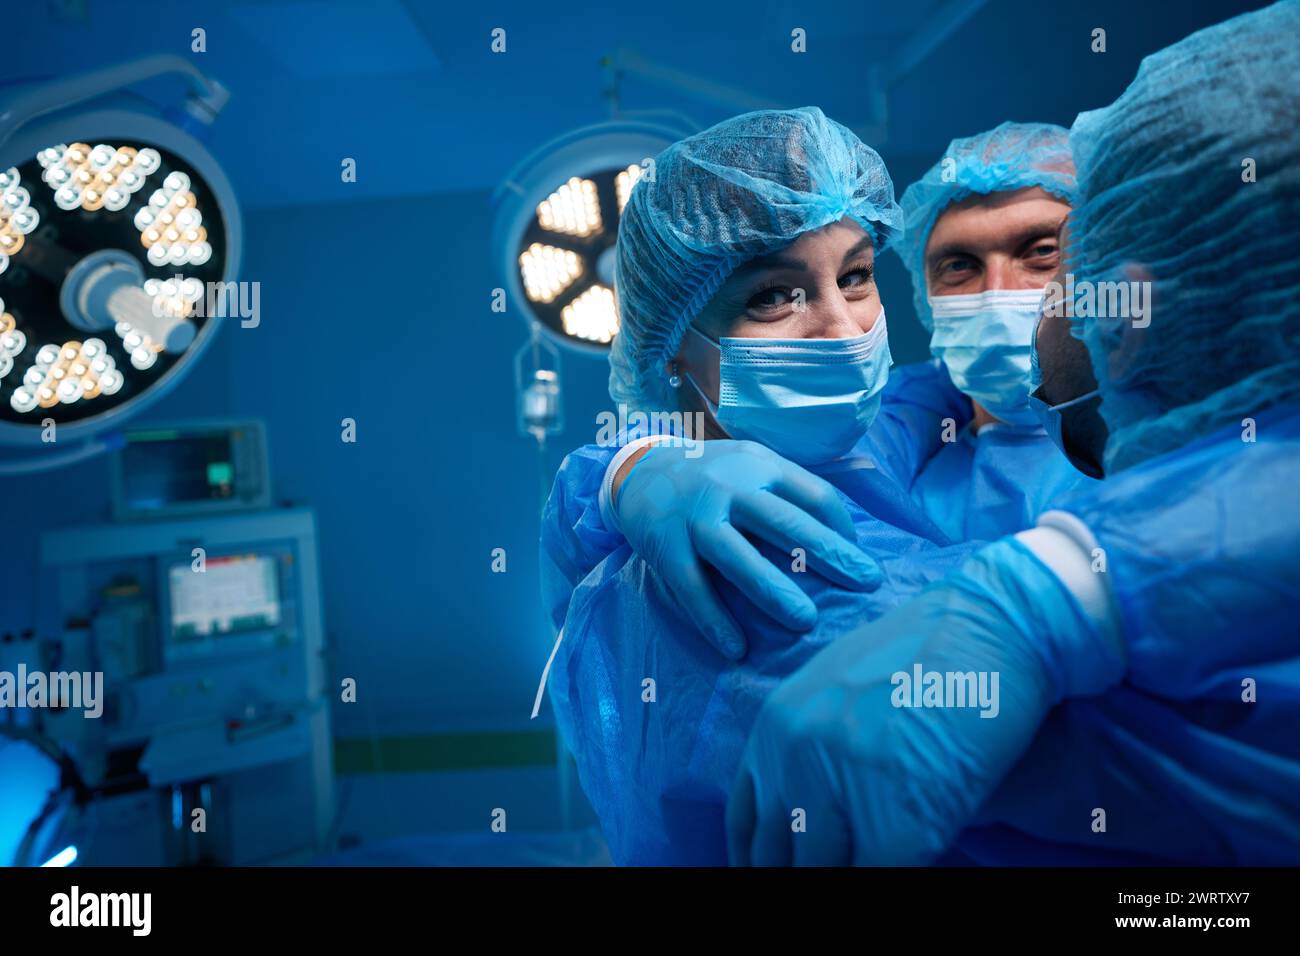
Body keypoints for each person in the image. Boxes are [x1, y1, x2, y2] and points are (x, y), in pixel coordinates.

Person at [727, 0, 1300, 866]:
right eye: (959, 263)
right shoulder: (900, 442)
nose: (1011, 296)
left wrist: (1053, 595)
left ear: (1127, 301)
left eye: (1047, 254)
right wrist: (637, 465)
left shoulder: (1195, 485)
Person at [542, 107, 980, 863]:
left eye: (855, 276)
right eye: (774, 296)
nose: (843, 328)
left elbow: (924, 395)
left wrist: (627, 466)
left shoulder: (845, 453)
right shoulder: (758, 568)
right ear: (670, 347)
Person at [895, 123, 1099, 541]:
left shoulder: (1160, 466)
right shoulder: (896, 488)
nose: (997, 294)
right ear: (925, 293)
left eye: (1042, 252)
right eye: (959, 266)